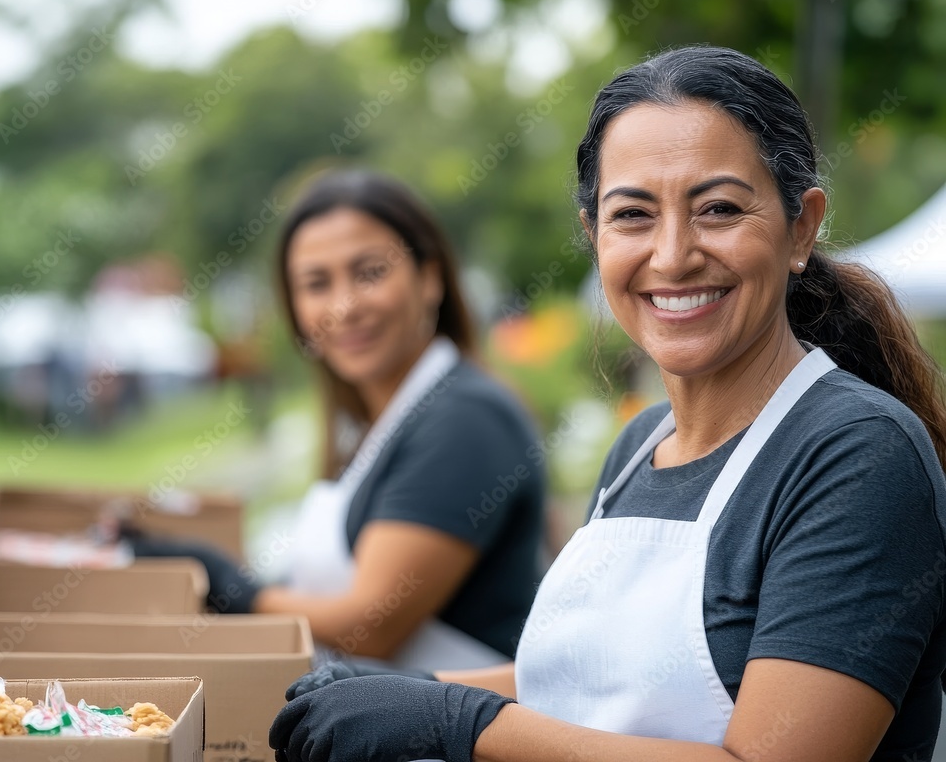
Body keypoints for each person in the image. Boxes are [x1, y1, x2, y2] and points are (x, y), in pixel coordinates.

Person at [268, 46, 946, 762]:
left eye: (718, 208)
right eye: (633, 215)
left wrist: (463, 721)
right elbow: (587, 685)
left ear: (800, 227)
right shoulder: (639, 447)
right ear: (594, 236)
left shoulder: (857, 456)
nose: (673, 254)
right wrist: (404, 694)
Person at [131, 169, 547, 671]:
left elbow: (369, 626)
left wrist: (226, 585)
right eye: (316, 283)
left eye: (370, 272)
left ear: (430, 278)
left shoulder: (465, 418)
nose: (344, 307)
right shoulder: (383, 421)